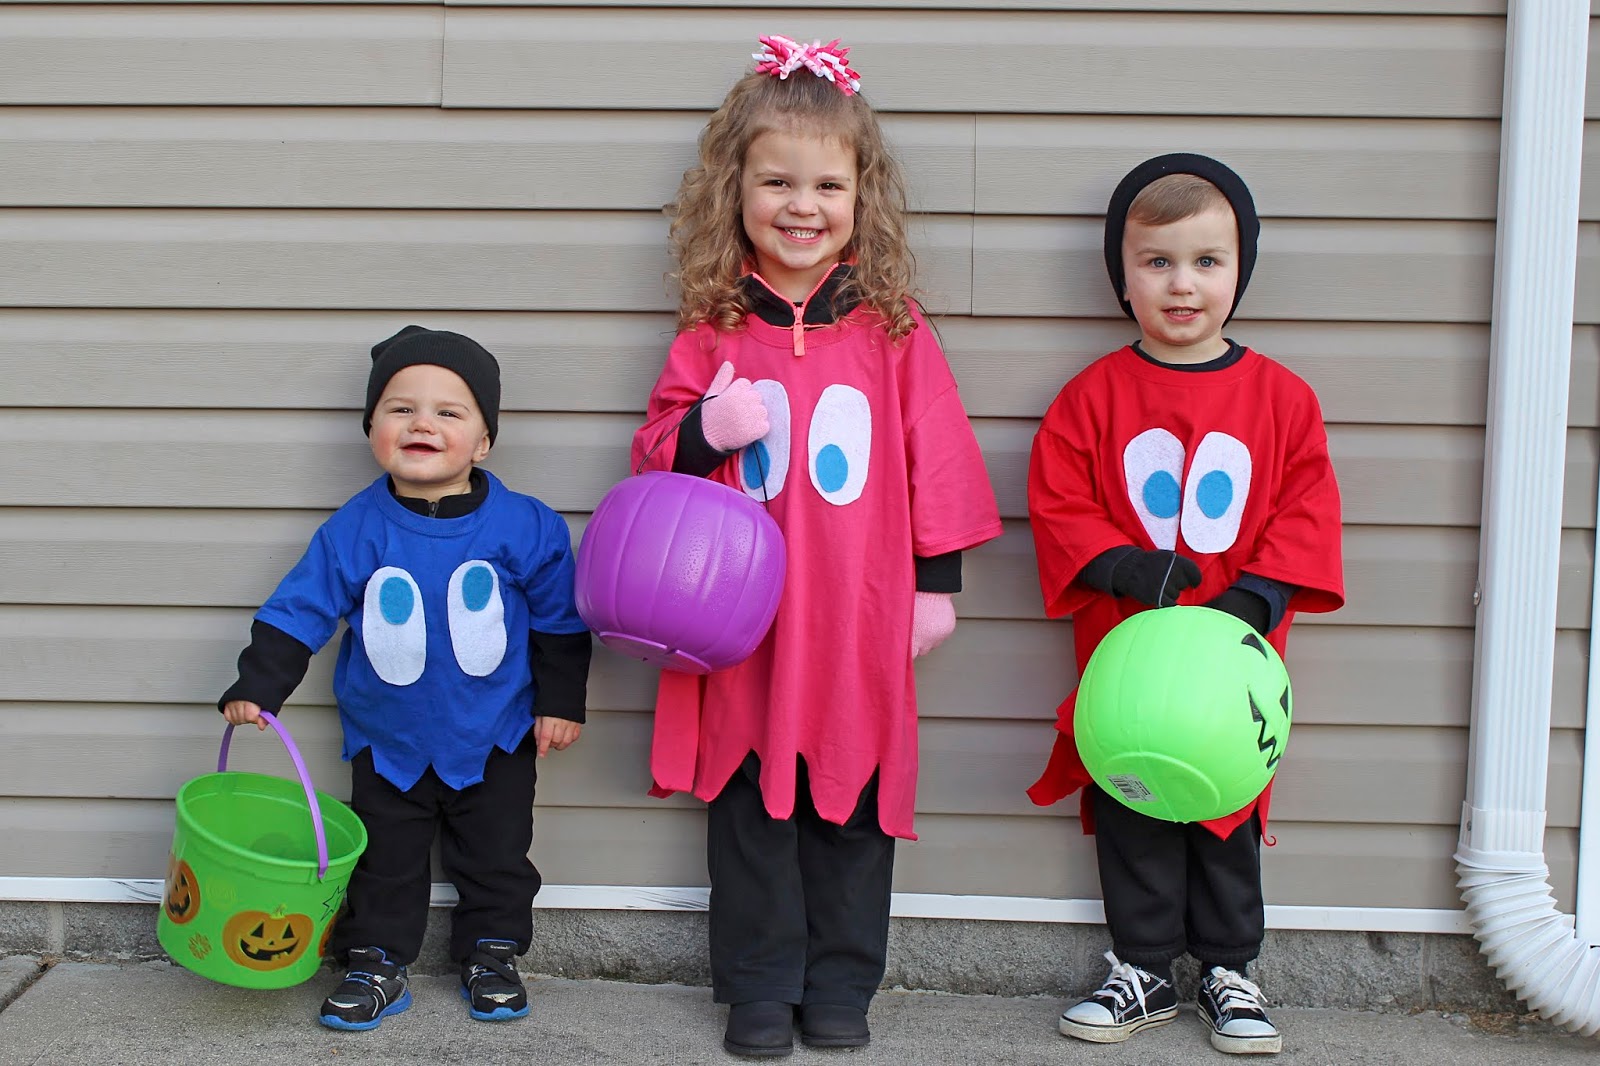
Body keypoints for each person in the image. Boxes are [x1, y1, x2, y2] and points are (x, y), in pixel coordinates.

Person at [630, 35, 1003, 1057]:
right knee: (749, 800)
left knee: (851, 792)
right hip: (741, 618)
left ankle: (841, 983)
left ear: (861, 196)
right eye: (777, 182)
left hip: (857, 609)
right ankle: (758, 986)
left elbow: (938, 453)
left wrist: (935, 582)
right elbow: (655, 453)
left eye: (828, 185)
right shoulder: (713, 328)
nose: (803, 205)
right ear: (735, 191)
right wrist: (708, 429)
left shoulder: (891, 330)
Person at [1025, 154, 1344, 1055]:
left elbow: (1306, 507)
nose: (1182, 284)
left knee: (1226, 806)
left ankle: (1230, 969)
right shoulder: (1092, 397)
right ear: (1121, 276)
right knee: (1134, 804)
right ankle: (1142, 967)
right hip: (1130, 663)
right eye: (1157, 262)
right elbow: (1059, 500)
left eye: (1207, 261)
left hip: (1231, 671)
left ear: (1240, 271)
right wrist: (1122, 567)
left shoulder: (1282, 400)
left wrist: (1260, 594)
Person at [217, 326, 592, 1031]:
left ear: (483, 441)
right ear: (372, 430)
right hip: (388, 740)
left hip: (497, 733)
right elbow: (300, 609)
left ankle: (492, 953)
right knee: (385, 859)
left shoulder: (526, 527)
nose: (423, 423)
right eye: (400, 409)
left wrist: (561, 703)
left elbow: (559, 622)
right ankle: (375, 962)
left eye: (449, 412)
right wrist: (258, 684)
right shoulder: (354, 530)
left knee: (497, 855)